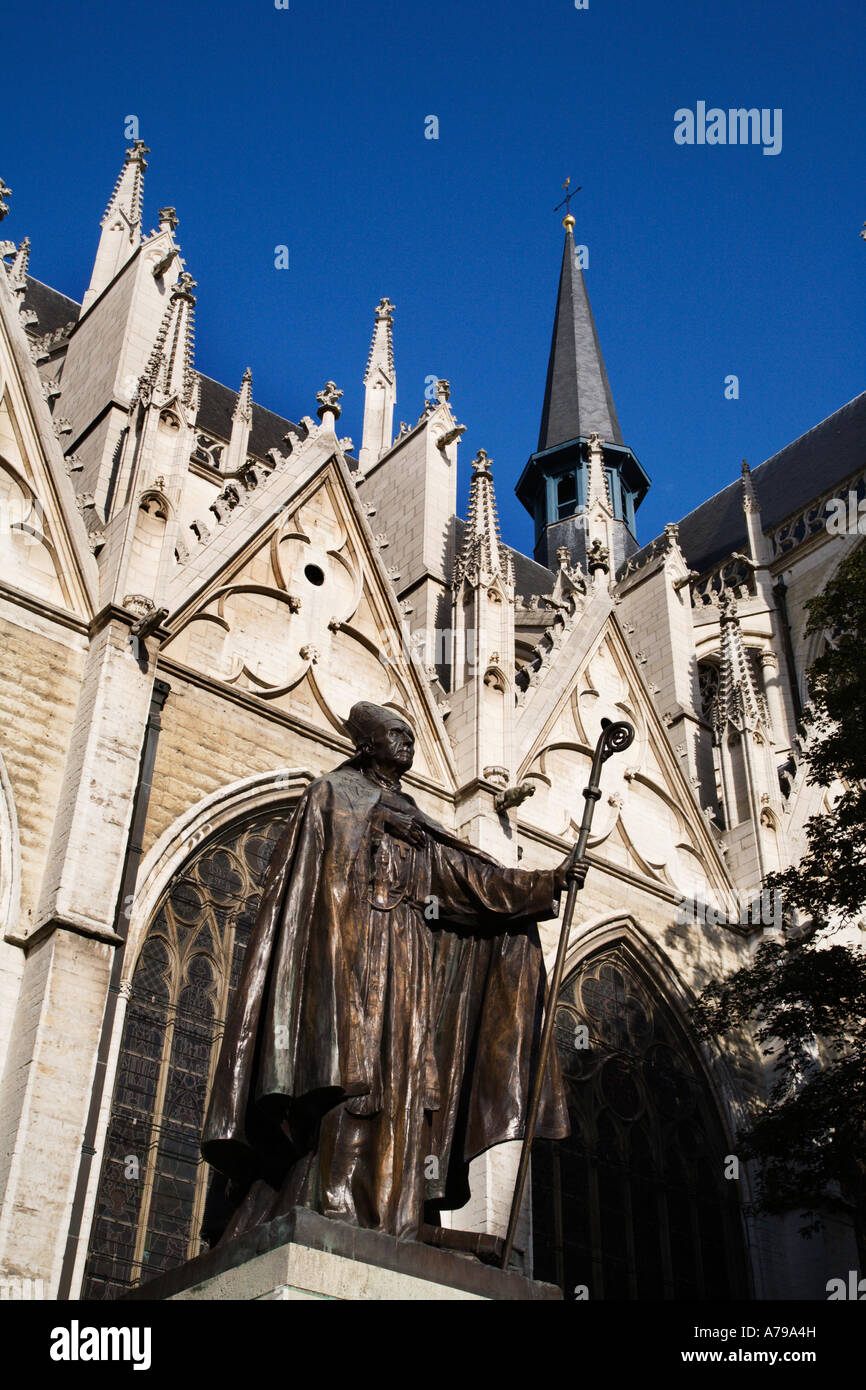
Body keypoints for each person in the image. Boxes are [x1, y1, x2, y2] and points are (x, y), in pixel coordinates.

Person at [201, 701, 584, 1246]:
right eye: (394, 734)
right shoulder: (332, 796)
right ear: (365, 744)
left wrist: (546, 882)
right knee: (349, 1079)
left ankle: (398, 1216)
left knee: (406, 1083)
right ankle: (331, 1202)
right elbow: (312, 889)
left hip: (408, 967)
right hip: (342, 964)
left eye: (410, 735)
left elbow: (470, 881)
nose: (406, 742)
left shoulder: (416, 820)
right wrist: (377, 828)